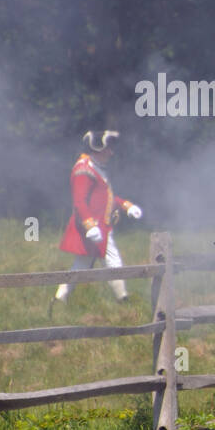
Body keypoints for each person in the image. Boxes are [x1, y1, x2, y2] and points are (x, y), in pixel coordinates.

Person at [54, 130, 143, 305]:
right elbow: (79, 202)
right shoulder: (83, 169)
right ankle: (123, 300)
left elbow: (105, 197)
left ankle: (59, 299)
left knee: (82, 265)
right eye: (107, 148)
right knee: (112, 261)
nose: (111, 152)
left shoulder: (95, 168)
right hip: (93, 228)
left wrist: (127, 206)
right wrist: (90, 226)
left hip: (100, 226)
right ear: (97, 148)